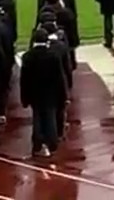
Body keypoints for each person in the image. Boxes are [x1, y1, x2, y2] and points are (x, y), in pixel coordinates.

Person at [20, 28, 68, 158]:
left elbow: (24, 80)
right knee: (50, 117)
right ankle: (51, 143)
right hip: (51, 93)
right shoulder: (53, 56)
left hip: (35, 92)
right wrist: (63, 96)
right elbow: (60, 78)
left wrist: (24, 97)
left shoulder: (28, 57)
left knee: (37, 118)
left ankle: (38, 144)